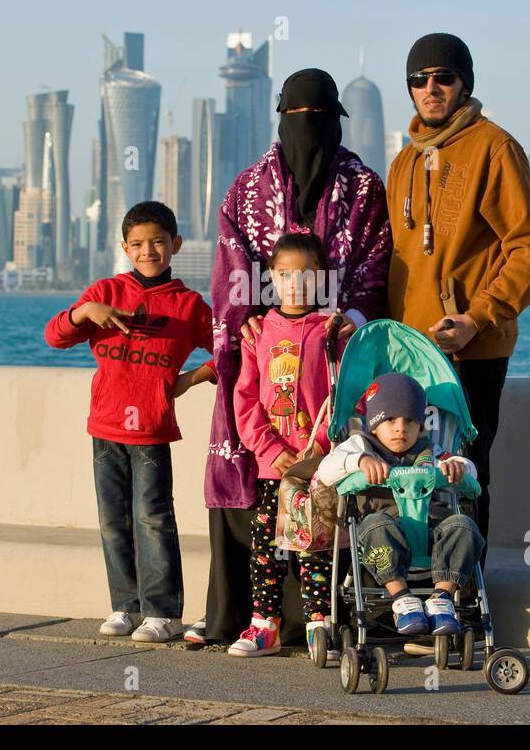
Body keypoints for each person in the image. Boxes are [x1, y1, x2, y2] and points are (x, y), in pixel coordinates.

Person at [193, 67, 391, 646]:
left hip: (336, 362)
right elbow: (231, 261)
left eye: (320, 121)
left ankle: (328, 619)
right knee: (257, 503)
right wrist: (247, 317)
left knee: (333, 490)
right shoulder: (248, 186)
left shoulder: (362, 186)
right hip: (265, 355)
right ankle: (252, 618)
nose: (310, 131)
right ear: (280, 120)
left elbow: (377, 263)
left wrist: (350, 319)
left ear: (337, 122)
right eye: (299, 120)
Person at [385, 33, 530, 545]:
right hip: (409, 350)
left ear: (465, 83)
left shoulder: (495, 148)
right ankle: (416, 599)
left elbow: (529, 246)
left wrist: (477, 318)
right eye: (419, 80)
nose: (431, 88)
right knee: (406, 474)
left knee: (465, 473)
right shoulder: (404, 162)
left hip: (471, 348)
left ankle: (470, 597)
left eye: (443, 78)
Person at [44, 201, 215, 643]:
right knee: (112, 521)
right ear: (125, 247)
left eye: (158, 241)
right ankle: (125, 605)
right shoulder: (104, 293)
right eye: (137, 244)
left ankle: (164, 612)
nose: (148, 251)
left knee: (154, 518)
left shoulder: (189, 305)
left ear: (175, 244)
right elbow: (54, 336)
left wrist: (189, 379)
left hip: (152, 429)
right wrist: (86, 313)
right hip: (104, 428)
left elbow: (230, 353)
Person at [228, 233, 345, 658]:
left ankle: (320, 624)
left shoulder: (331, 331)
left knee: (316, 544)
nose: (296, 283)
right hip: (271, 466)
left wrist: (318, 449)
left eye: (306, 274)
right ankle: (265, 625)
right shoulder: (258, 332)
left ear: (322, 278)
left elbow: (342, 396)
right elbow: (244, 398)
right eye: (285, 274)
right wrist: (272, 451)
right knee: (267, 544)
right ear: (271, 278)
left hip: (319, 465)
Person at [314, 372, 482, 635]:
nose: (400, 428)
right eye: (390, 420)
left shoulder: (431, 452)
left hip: (430, 532)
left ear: (420, 425)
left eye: (410, 421)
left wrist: (457, 468)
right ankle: (402, 598)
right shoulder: (360, 445)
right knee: (374, 525)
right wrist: (357, 462)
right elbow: (325, 470)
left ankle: (442, 598)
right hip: (384, 533)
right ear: (373, 424)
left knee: (464, 525)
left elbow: (469, 469)